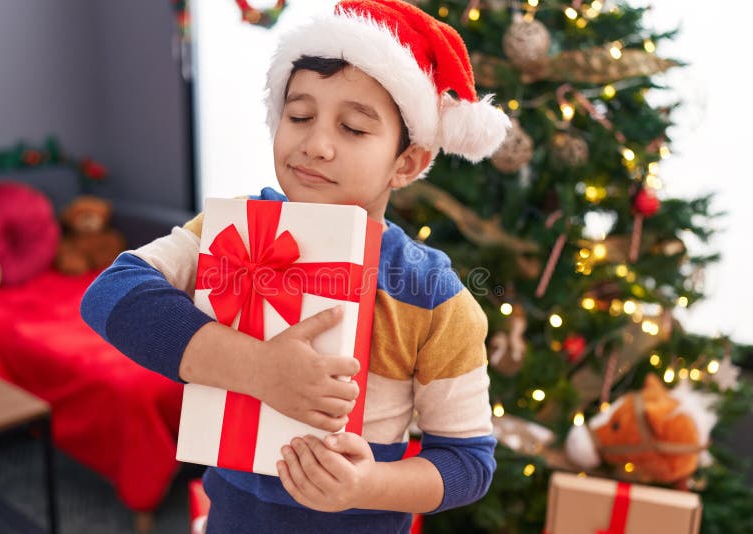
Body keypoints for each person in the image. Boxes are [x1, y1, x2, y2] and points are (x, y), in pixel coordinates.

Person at [81, 0, 510, 531]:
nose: (315, 144)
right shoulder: (227, 232)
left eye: (353, 127)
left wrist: (369, 484)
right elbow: (110, 293)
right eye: (299, 115)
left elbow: (468, 462)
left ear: (408, 162)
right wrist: (257, 369)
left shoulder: (430, 295)